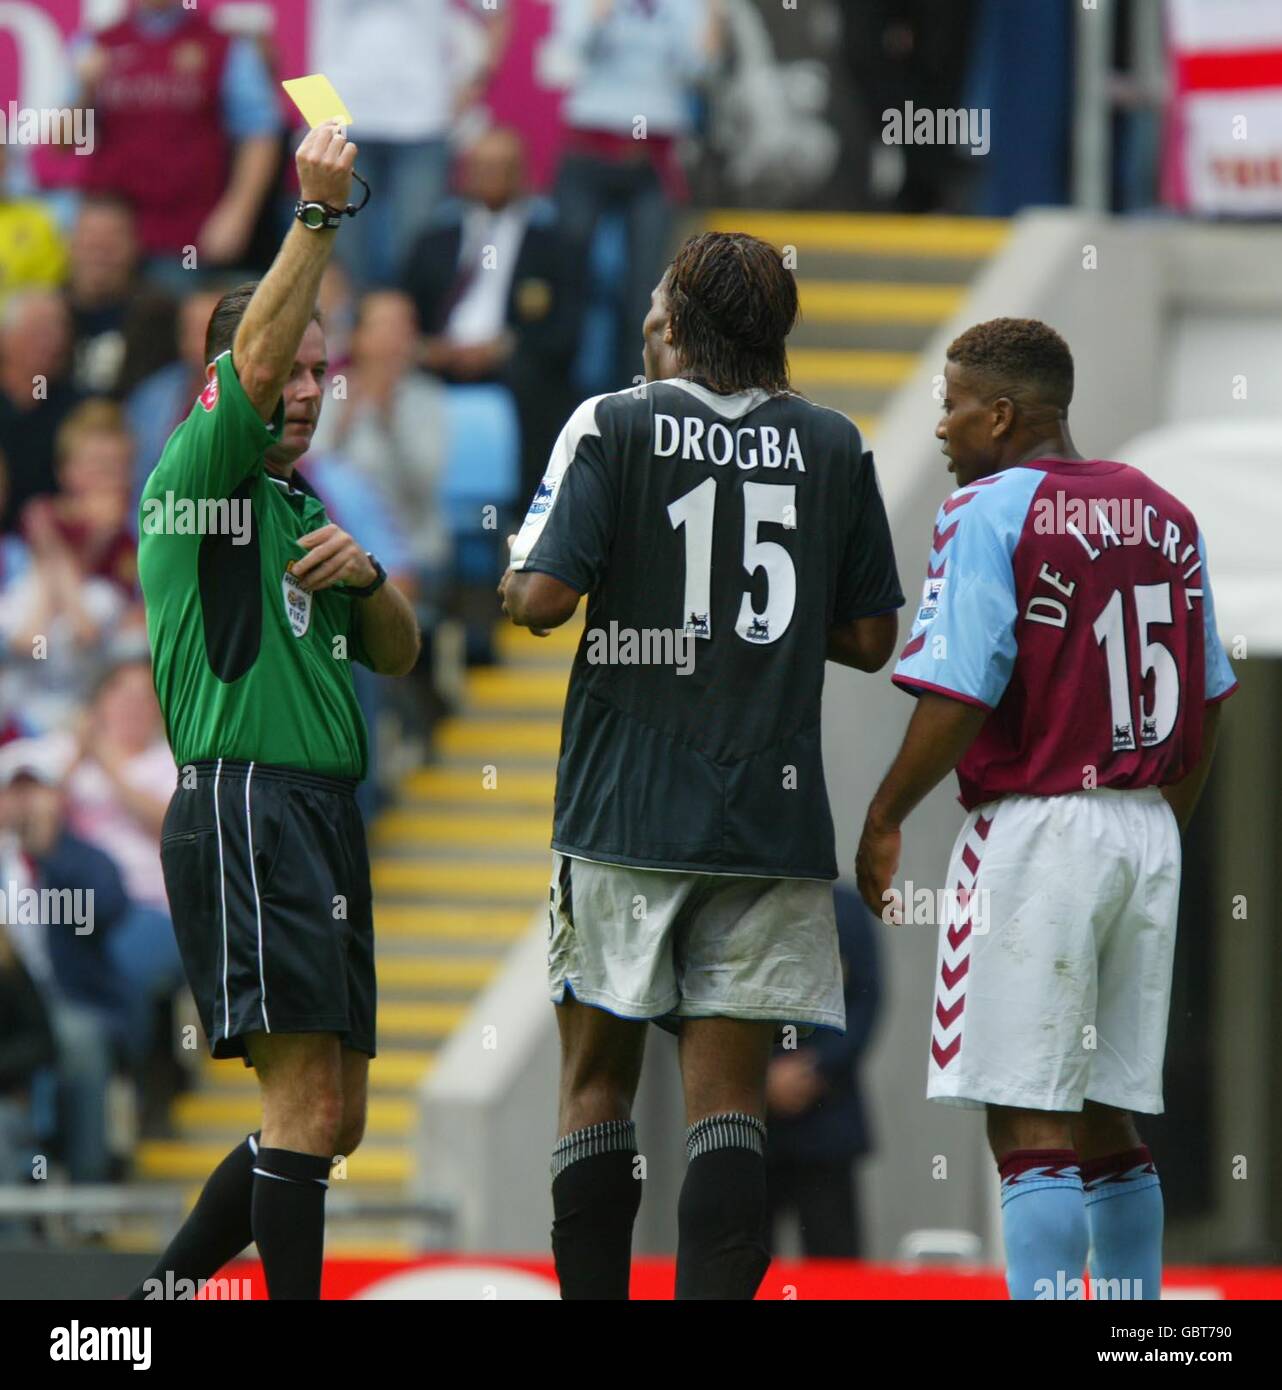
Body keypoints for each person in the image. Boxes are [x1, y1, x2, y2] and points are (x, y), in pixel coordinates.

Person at [499, 230, 904, 1300]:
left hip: (624, 813)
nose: (642, 326)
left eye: (653, 313)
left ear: (677, 327)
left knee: (595, 1086)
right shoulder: (834, 443)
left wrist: (512, 580)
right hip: (767, 828)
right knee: (730, 1105)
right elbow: (871, 638)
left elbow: (540, 602)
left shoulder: (614, 421)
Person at [855, 318, 1237, 1301]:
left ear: (1001, 412)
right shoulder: (1167, 512)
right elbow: (1202, 700)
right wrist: (1159, 823)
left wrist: (886, 812)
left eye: (950, 405)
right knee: (1110, 1108)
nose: (940, 428)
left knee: (1027, 1111)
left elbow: (959, 690)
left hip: (1038, 829)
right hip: (1145, 823)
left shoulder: (987, 509)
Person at [131, 120, 420, 1301]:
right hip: (244, 802)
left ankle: (151, 1303)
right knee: (297, 1102)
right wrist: (314, 212)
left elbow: (396, 655)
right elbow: (245, 370)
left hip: (315, 812)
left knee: (335, 1119)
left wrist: (368, 581)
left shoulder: (304, 513)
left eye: (319, 374)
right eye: (289, 372)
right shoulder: (196, 477)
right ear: (230, 387)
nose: (305, 391)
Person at [404, 127, 584, 507]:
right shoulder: (434, 240)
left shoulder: (554, 245)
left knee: (539, 385)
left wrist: (503, 347)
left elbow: (567, 331)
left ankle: (527, 516)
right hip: (438, 358)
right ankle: (409, 511)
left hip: (515, 362)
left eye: (502, 167)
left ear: (523, 174)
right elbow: (402, 309)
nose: (490, 175)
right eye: (481, 166)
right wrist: (424, 348)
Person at [70, 0, 283, 280]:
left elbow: (260, 133)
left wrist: (238, 213)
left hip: (186, 229)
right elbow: (63, 142)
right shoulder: (96, 43)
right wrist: (85, 91)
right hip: (112, 237)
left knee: (177, 311)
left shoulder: (222, 45)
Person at [764, 881, 882, 1258]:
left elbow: (866, 1001)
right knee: (738, 1262)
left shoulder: (845, 909)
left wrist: (817, 1066)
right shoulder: (736, 899)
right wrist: (760, 1076)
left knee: (834, 1262)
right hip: (748, 1120)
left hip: (826, 1115)